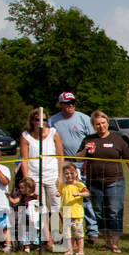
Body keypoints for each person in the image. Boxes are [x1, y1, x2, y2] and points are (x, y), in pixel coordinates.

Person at [78, 110, 129, 254]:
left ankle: (115, 243)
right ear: (93, 125)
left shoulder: (117, 140)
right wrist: (84, 151)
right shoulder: (89, 140)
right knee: (99, 213)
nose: (101, 126)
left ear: (107, 123)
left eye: (103, 123)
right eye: (97, 124)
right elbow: (78, 159)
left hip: (115, 182)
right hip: (94, 183)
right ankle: (106, 242)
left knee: (114, 211)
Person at [48, 92, 97, 242]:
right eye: (67, 103)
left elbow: (92, 141)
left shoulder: (84, 119)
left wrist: (87, 162)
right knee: (65, 197)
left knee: (84, 196)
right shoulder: (53, 121)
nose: (71, 106)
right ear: (61, 104)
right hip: (62, 163)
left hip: (81, 163)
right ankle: (69, 231)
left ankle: (92, 231)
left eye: (73, 103)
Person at [19, 109, 65, 252]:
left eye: (44, 120)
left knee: (58, 207)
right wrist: (27, 179)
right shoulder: (26, 136)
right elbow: (24, 159)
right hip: (34, 177)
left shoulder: (53, 133)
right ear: (32, 121)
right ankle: (48, 240)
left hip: (52, 176)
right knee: (40, 209)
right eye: (38, 120)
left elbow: (60, 155)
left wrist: (60, 176)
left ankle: (67, 238)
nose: (41, 123)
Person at [58, 162, 89, 255]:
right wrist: (57, 193)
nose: (69, 175)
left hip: (76, 213)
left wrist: (79, 194)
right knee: (67, 233)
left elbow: (87, 193)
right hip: (66, 212)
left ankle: (80, 250)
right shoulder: (63, 185)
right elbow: (60, 192)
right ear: (64, 174)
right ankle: (69, 249)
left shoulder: (79, 185)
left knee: (78, 233)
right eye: (67, 174)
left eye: (71, 173)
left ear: (76, 173)